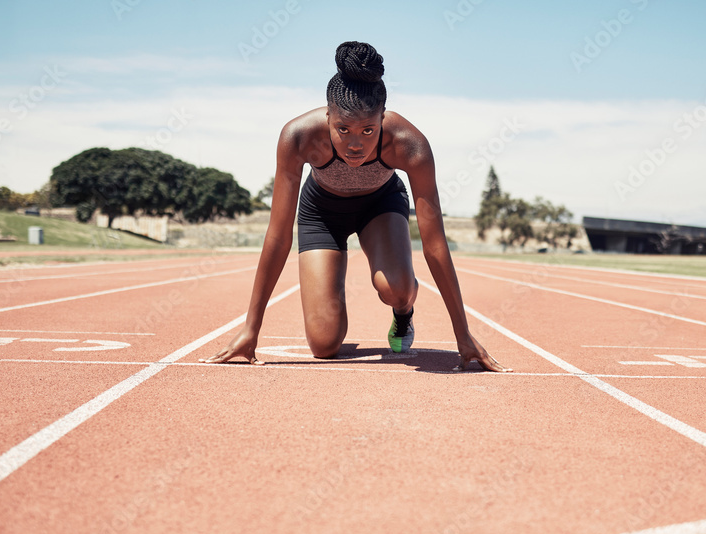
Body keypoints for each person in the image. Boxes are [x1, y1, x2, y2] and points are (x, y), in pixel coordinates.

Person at [203, 41, 509, 372]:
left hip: (380, 205)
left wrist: (462, 334)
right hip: (321, 213)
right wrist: (251, 330)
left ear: (383, 118)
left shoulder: (410, 145)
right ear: (327, 116)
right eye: (343, 129)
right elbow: (277, 236)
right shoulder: (298, 137)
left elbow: (434, 244)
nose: (355, 144)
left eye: (368, 130)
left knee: (396, 289)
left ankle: (403, 311)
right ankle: (331, 288)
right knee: (324, 345)